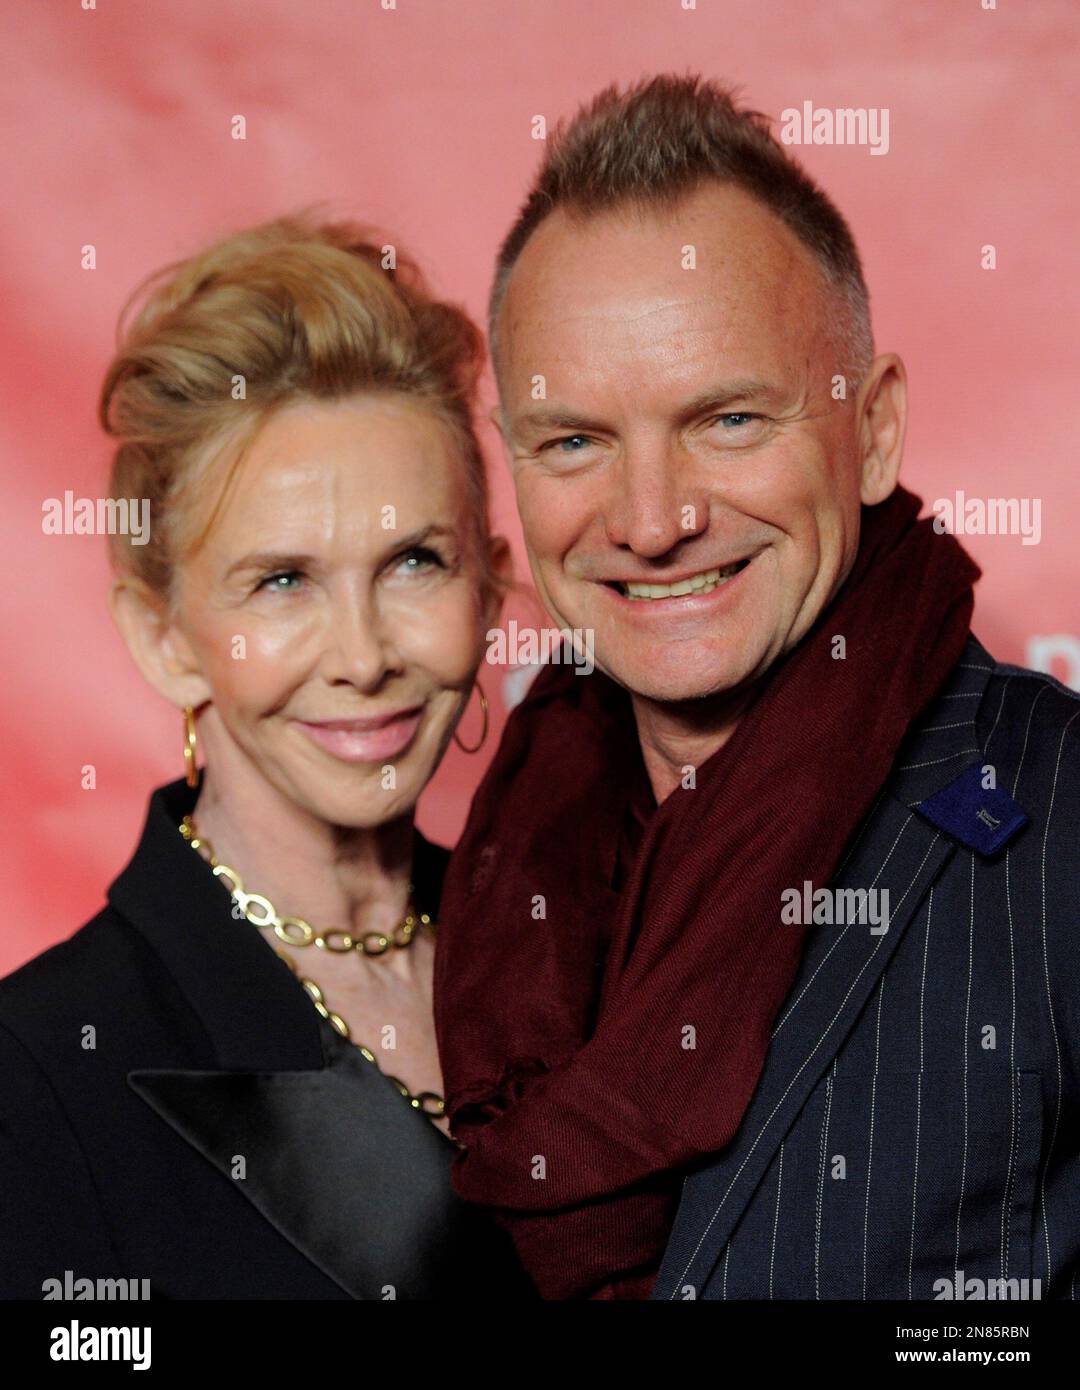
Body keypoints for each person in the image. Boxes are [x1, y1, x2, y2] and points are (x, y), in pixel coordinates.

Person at [433, 75, 1080, 1301]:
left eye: (727, 418)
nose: (653, 519)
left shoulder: (1054, 817)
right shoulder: (490, 878)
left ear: (875, 428)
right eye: (573, 439)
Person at [0, 213, 530, 1300]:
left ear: (489, 584)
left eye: (416, 561)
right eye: (282, 580)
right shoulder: (38, 1074)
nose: (365, 655)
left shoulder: (579, 964)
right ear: (164, 636)